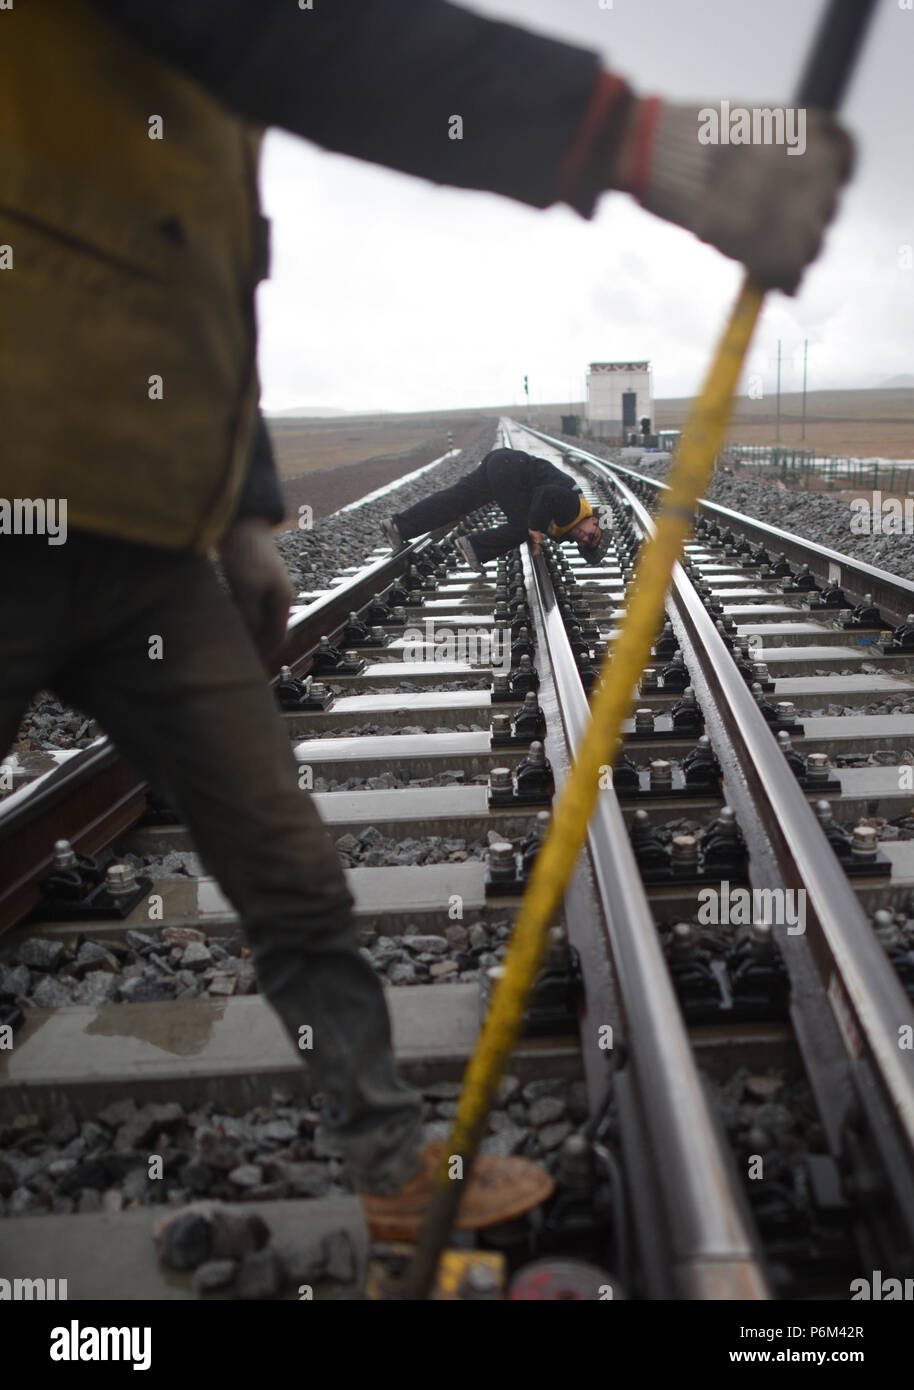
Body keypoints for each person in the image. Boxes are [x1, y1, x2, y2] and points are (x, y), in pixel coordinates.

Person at [0, 0, 853, 1228]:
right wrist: (633, 137)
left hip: (148, 541)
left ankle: (392, 1166)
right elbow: (302, 43)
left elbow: (199, 282)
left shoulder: (180, 118)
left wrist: (239, 508)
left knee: (293, 871)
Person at [381, 447, 609, 569]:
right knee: (524, 527)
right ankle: (473, 547)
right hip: (512, 470)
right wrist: (535, 529)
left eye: (584, 544)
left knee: (458, 500)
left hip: (503, 462)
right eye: (593, 535)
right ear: (596, 521)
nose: (584, 537)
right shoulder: (574, 508)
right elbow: (545, 494)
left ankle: (399, 526)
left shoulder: (573, 519)